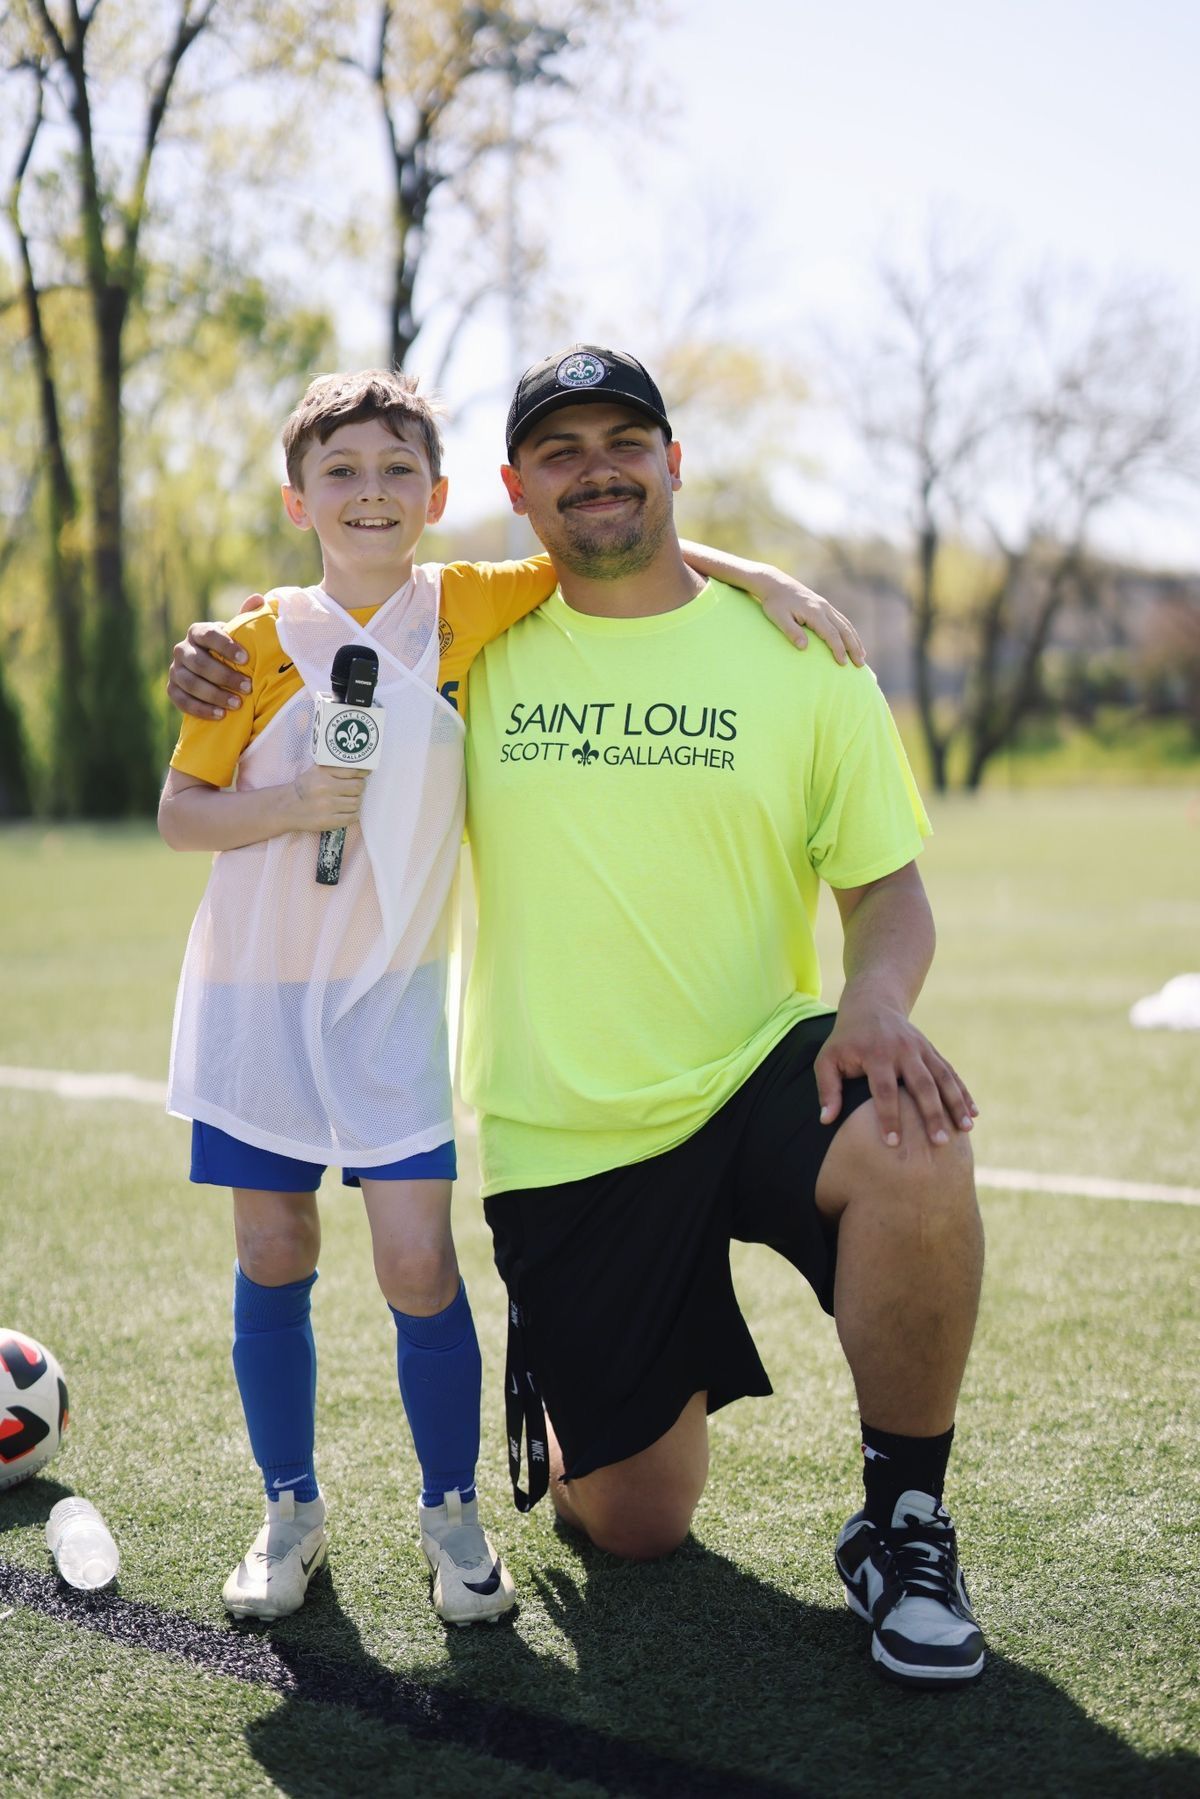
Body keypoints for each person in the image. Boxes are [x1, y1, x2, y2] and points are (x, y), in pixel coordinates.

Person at [160, 364, 863, 1632]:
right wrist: (286, 805)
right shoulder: (252, 639)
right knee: (273, 1250)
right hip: (254, 1005)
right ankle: (289, 1511)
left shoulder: (469, 605)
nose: (368, 495)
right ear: (295, 496)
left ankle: (451, 1514)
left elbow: (609, 539)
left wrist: (761, 577)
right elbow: (178, 811)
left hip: (393, 1010)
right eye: (339, 473)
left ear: (436, 495)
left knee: (419, 1260)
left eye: (394, 473)